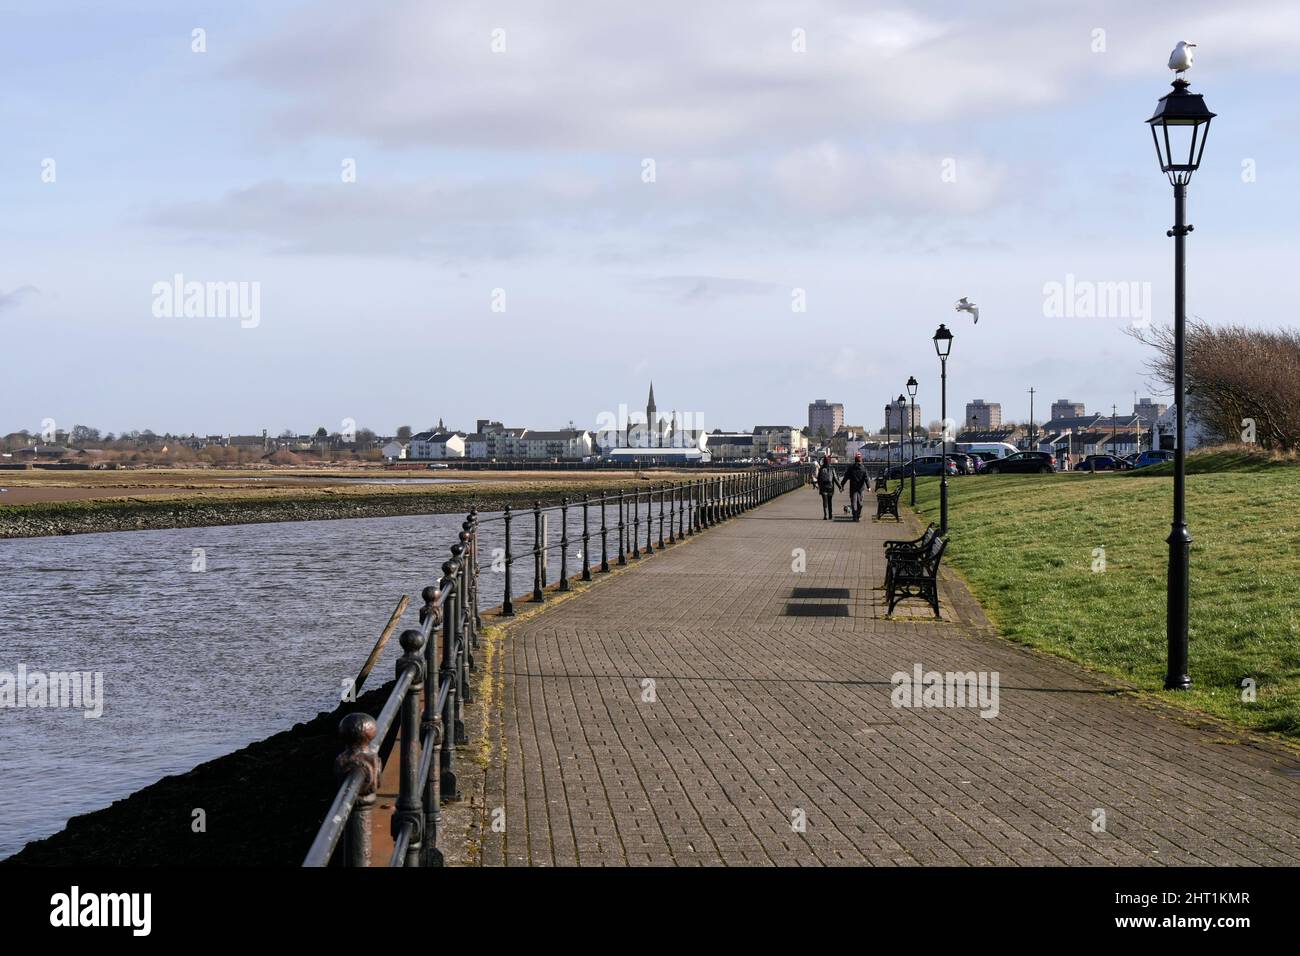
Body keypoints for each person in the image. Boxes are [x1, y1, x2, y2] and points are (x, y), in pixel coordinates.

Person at [838, 452, 870, 522]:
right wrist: (869, 487)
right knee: (860, 503)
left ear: (855, 460)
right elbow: (866, 478)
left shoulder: (851, 468)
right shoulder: (863, 468)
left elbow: (846, 477)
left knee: (853, 503)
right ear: (860, 460)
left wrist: (842, 485)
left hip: (853, 488)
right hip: (861, 488)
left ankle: (855, 516)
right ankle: (858, 515)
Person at [814, 453, 837, 520]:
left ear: (823, 461)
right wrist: (840, 487)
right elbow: (835, 479)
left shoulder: (821, 469)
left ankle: (825, 515)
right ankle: (830, 515)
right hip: (830, 487)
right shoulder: (832, 468)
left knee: (825, 501)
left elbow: (818, 478)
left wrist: (818, 485)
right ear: (829, 461)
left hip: (823, 487)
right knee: (830, 501)